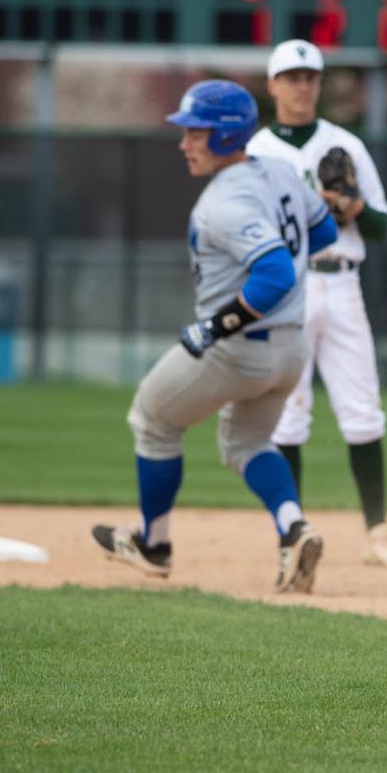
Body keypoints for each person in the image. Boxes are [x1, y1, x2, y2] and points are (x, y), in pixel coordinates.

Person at [92, 79, 338, 593]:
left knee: (153, 418)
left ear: (226, 136)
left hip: (237, 347)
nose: (185, 143)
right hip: (291, 349)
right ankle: (293, 527)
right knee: (248, 442)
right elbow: (324, 233)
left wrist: (216, 325)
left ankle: (153, 545)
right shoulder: (280, 172)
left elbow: (274, 274)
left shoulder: (221, 202)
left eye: (196, 132)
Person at [247, 39, 387, 569]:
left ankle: (378, 535)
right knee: (287, 419)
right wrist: (310, 208)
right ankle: (289, 535)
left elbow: (383, 226)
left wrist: (352, 204)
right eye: (292, 77)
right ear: (273, 85)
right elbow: (244, 229)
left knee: (363, 411)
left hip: (342, 284)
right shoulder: (256, 152)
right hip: (286, 291)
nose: (302, 85)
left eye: (310, 76)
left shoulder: (344, 144)